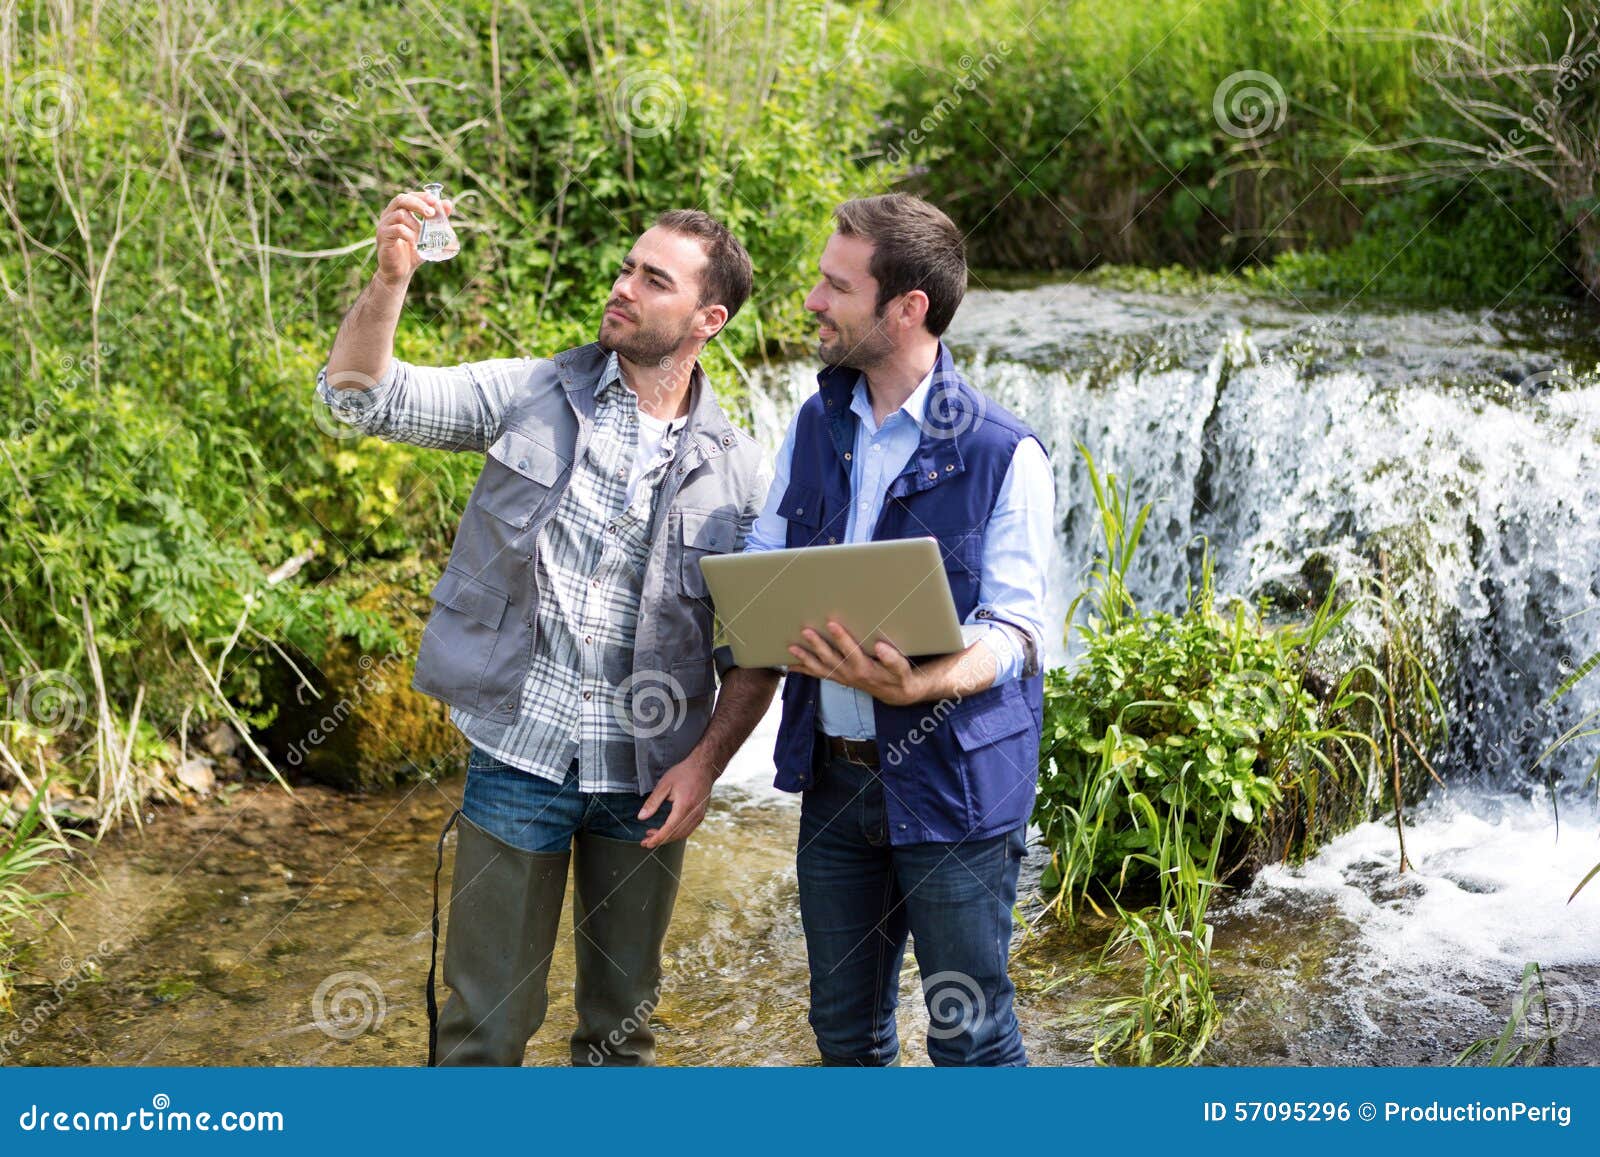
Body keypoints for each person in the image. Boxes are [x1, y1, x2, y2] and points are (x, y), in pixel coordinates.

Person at [314, 191, 774, 1066]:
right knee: (482, 1033)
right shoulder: (528, 392)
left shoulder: (742, 472)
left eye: (654, 279)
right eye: (626, 267)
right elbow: (362, 398)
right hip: (517, 757)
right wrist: (388, 281)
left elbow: (753, 649)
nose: (623, 286)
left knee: (620, 1036)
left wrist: (705, 767)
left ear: (708, 318)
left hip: (648, 778)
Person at [716, 192, 1055, 1065]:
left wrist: (923, 685)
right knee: (846, 1034)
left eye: (836, 286)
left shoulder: (1002, 451)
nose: (813, 303)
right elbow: (763, 571)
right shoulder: (814, 423)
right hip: (835, 782)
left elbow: (1018, 631)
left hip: (956, 786)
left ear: (906, 308)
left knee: (972, 1038)